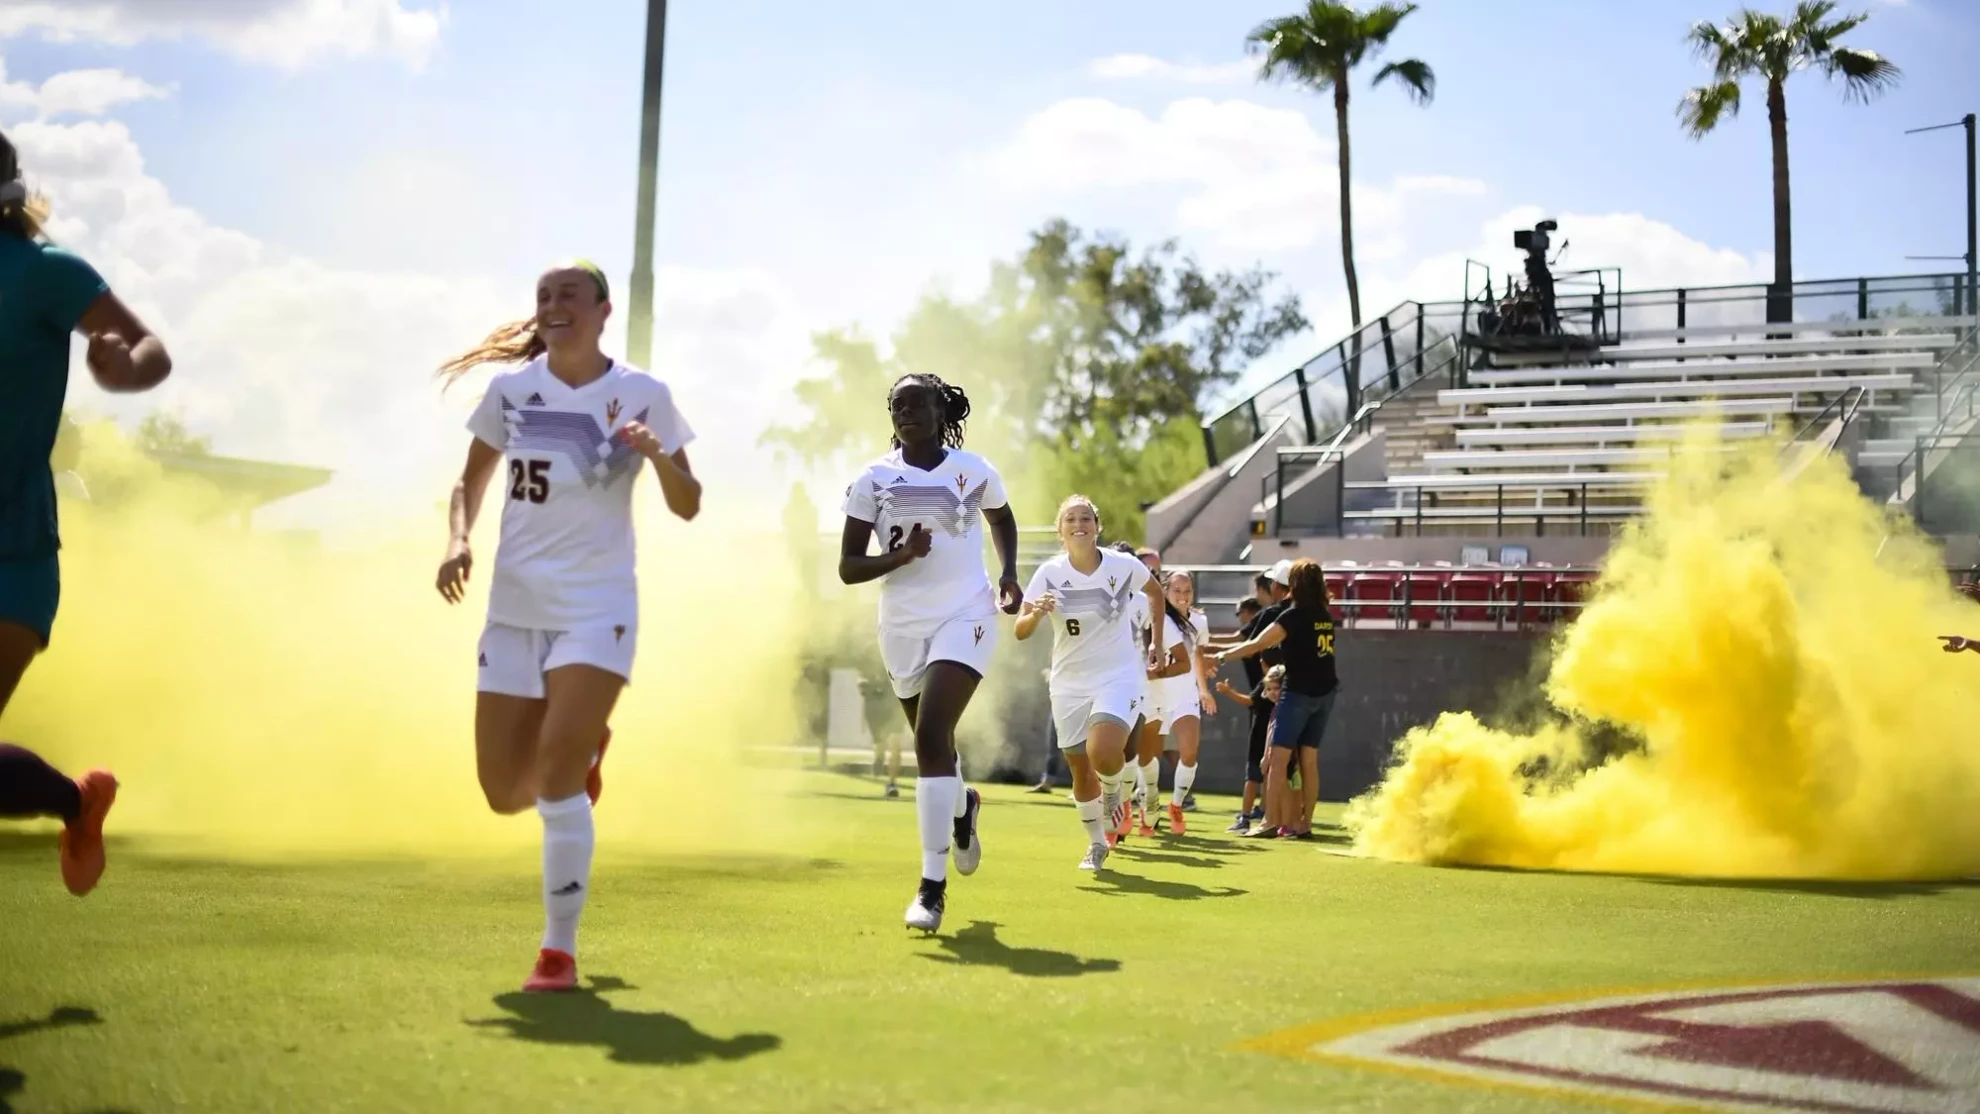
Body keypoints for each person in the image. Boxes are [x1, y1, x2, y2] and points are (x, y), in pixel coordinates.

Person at [434, 259, 700, 993]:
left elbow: (688, 503)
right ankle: (582, 761)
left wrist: (657, 458)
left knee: (551, 778)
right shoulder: (511, 391)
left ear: (603, 310)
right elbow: (468, 482)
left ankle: (558, 951)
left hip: (598, 609)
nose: (554, 307)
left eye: (569, 296)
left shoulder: (642, 394)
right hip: (514, 610)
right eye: (545, 296)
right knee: (501, 790)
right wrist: (458, 539)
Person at [0, 129, 172, 897]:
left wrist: (120, 366)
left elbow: (148, 348)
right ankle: (77, 800)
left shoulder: (46, 274)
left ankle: (76, 801)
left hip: (13, 549)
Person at [839, 373, 1022, 934]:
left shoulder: (975, 471)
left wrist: (1010, 572)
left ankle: (931, 888)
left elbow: (1001, 517)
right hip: (901, 625)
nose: (906, 412)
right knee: (935, 745)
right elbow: (849, 568)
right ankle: (963, 804)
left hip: (966, 614)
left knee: (926, 739)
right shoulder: (872, 478)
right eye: (897, 405)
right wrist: (901, 557)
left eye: (917, 403)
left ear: (943, 410)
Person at [1014, 496, 1165, 871]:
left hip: (1118, 675)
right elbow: (1020, 629)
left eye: (1085, 518)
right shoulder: (1048, 573)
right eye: (1070, 519)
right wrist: (1036, 612)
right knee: (1080, 769)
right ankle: (1097, 844)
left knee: (1103, 752)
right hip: (1068, 683)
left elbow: (1156, 593)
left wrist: (1157, 643)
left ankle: (1113, 792)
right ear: (1060, 531)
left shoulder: (1122, 565)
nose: (1078, 524)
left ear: (1097, 526)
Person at [1215, 558, 1338, 840]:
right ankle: (1304, 823)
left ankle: (1269, 821)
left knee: (1277, 759)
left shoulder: (1292, 616)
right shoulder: (1324, 615)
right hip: (1326, 692)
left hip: (1298, 694)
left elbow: (1257, 644)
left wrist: (1220, 656)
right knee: (1309, 760)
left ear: (1294, 585)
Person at [1147, 570, 1214, 835]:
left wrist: (1204, 690)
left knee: (1189, 752)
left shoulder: (1199, 620)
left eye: (1187, 591)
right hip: (1155, 693)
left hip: (1185, 694)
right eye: (1177, 590)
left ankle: (1176, 805)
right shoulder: (1156, 619)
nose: (1183, 596)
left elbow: (1198, 655)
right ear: (1165, 591)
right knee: (1148, 758)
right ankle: (1147, 804)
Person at [1213, 595, 1269, 831]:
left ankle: (1245, 816)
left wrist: (1227, 691)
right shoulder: (1275, 682)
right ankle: (1267, 811)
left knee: (1255, 766)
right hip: (1273, 713)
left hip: (1262, 714)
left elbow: (1250, 702)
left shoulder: (1267, 683)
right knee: (1272, 764)